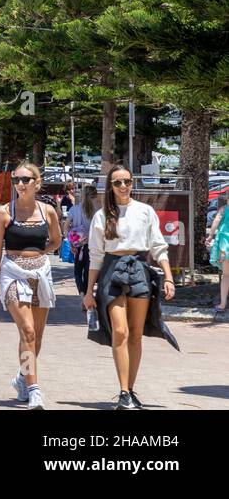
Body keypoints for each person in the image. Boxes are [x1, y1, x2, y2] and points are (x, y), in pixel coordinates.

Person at [82, 166, 179, 410]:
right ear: (110, 187)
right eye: (117, 183)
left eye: (126, 181)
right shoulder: (102, 216)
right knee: (121, 331)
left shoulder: (145, 211)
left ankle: (130, 390)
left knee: (136, 334)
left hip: (138, 269)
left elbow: (158, 246)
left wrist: (168, 277)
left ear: (132, 183)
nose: (123, 186)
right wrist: (88, 291)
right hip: (111, 270)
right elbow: (95, 256)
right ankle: (124, 392)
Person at [0, 163, 62, 409]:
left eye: (26, 179)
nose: (20, 184)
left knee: (36, 337)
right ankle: (34, 389)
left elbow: (56, 241)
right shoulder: (4, 213)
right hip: (13, 273)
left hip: (40, 272)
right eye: (17, 179)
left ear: (37, 183)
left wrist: (40, 255)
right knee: (27, 331)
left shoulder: (48, 211)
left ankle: (22, 377)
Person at [66, 185, 100, 297]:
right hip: (93, 246)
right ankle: (86, 295)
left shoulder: (74, 209)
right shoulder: (97, 212)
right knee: (88, 272)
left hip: (77, 245)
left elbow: (66, 226)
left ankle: (82, 293)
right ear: (94, 196)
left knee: (77, 272)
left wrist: (71, 241)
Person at [208, 192, 229, 314]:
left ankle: (222, 304)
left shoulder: (223, 209)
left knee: (226, 275)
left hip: (225, 245)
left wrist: (210, 236)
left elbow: (216, 221)